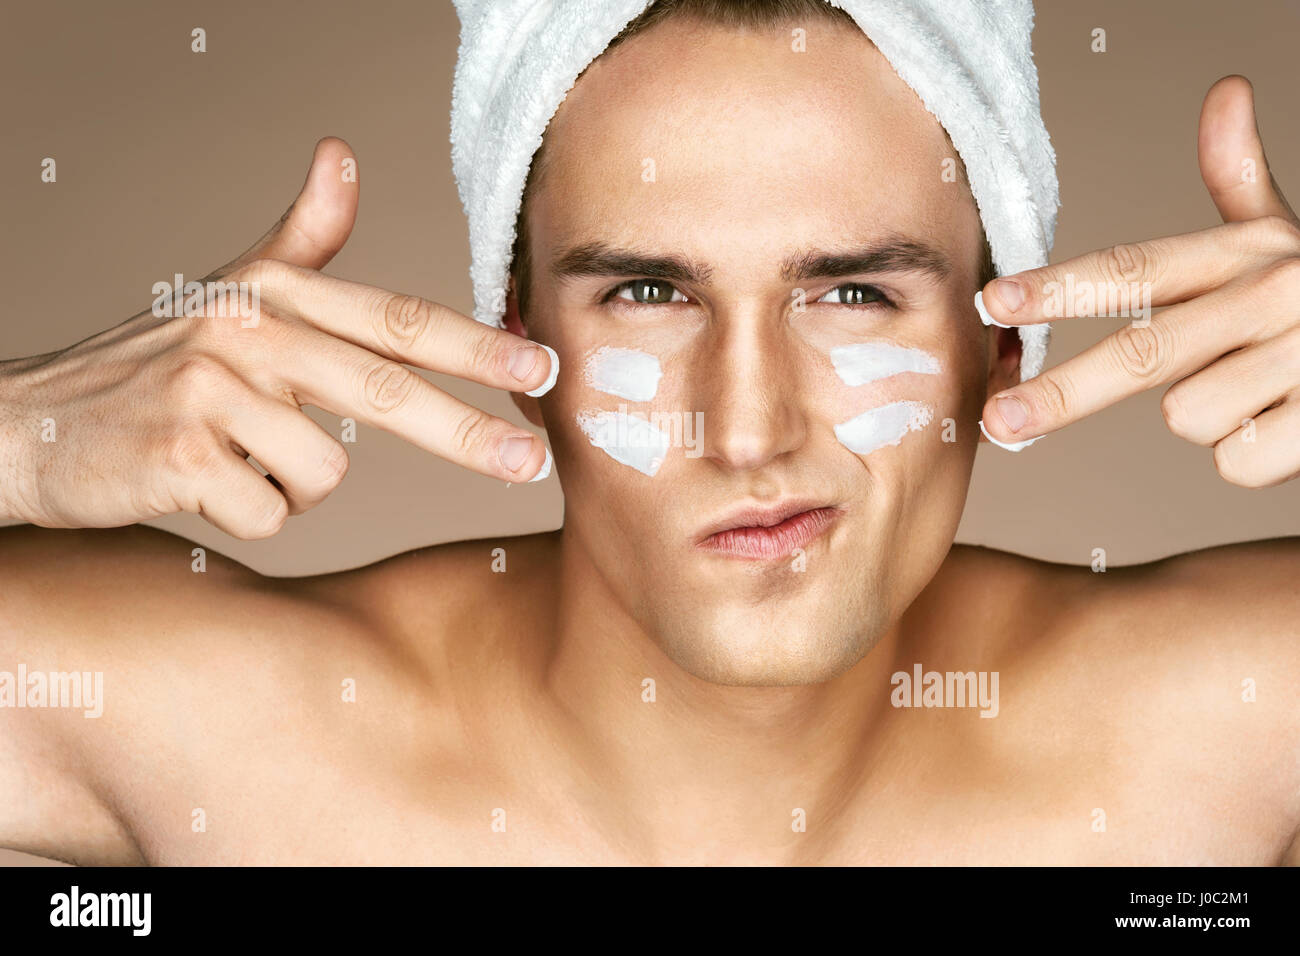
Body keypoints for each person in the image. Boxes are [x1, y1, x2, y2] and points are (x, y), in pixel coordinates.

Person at [1, 0, 1297, 865]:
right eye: (648, 294)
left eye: (853, 294)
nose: (748, 430)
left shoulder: (1230, 733)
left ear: (1002, 340)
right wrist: (17, 433)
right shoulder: (236, 738)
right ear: (517, 340)